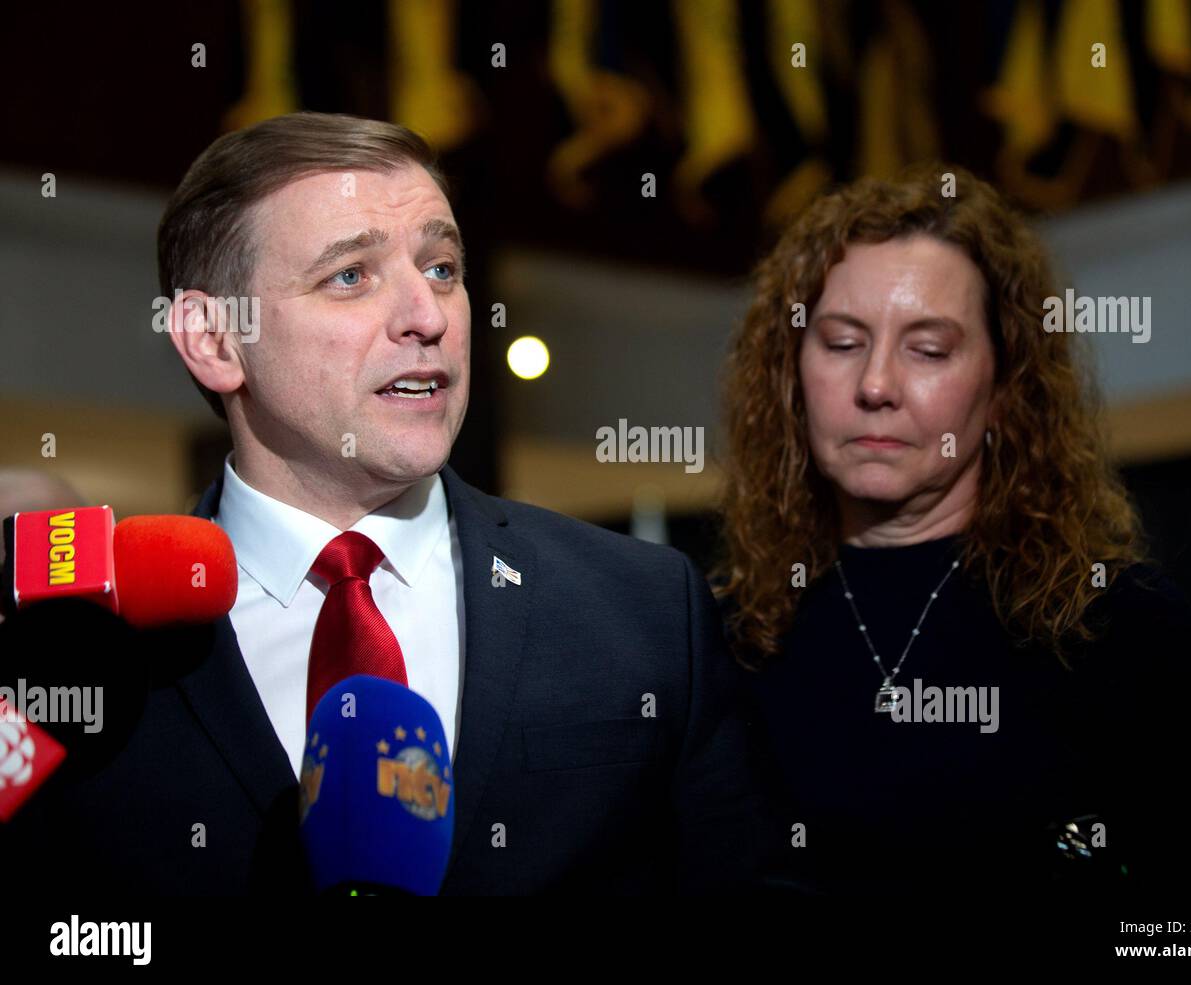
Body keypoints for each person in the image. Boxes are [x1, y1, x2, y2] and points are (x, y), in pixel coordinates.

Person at [4, 112, 768, 895]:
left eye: (441, 267)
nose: (429, 316)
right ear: (215, 338)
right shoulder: (79, 649)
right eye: (351, 276)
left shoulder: (642, 608)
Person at [712, 164, 1191, 902]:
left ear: (1006, 387)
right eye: (843, 341)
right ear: (790, 374)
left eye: (928, 349)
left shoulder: (1118, 624)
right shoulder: (724, 640)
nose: (877, 385)